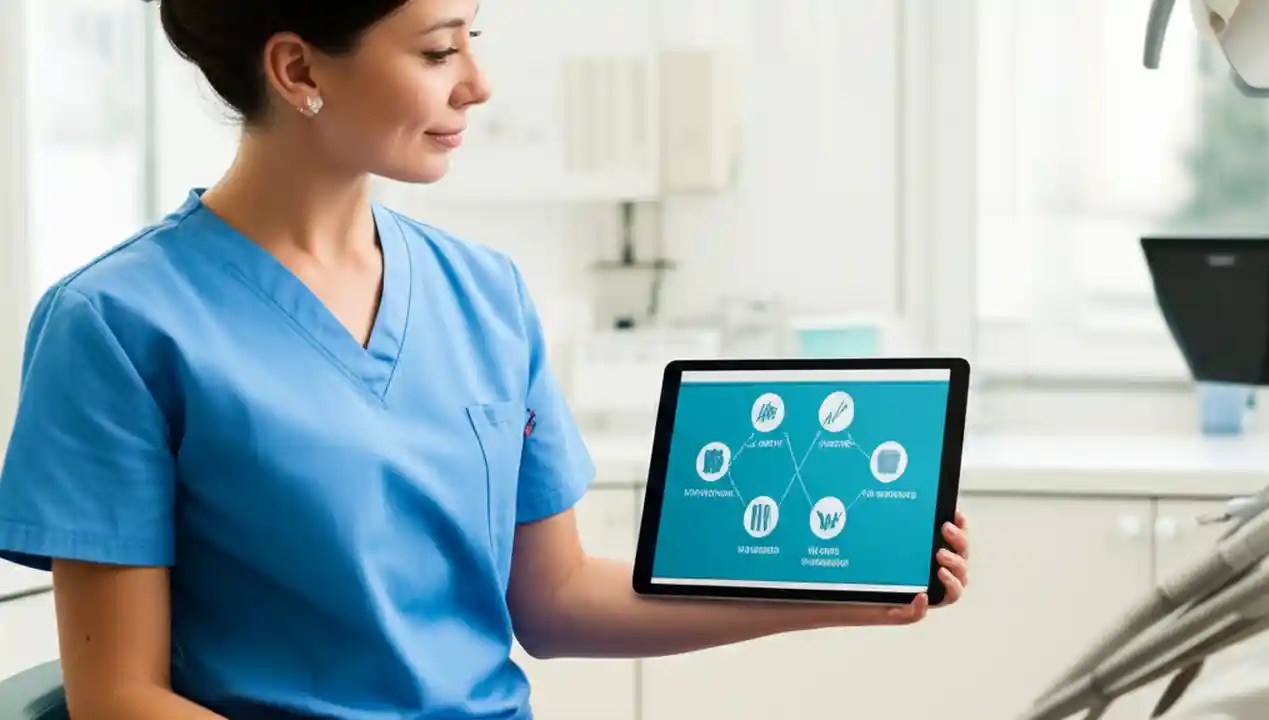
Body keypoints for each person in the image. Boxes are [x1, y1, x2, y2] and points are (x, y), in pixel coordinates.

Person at [0, 1, 971, 718]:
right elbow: (119, 699)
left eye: (474, 36)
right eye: (436, 49)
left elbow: (551, 598)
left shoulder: (484, 294)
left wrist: (834, 584)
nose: (476, 81)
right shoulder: (116, 324)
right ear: (298, 69)